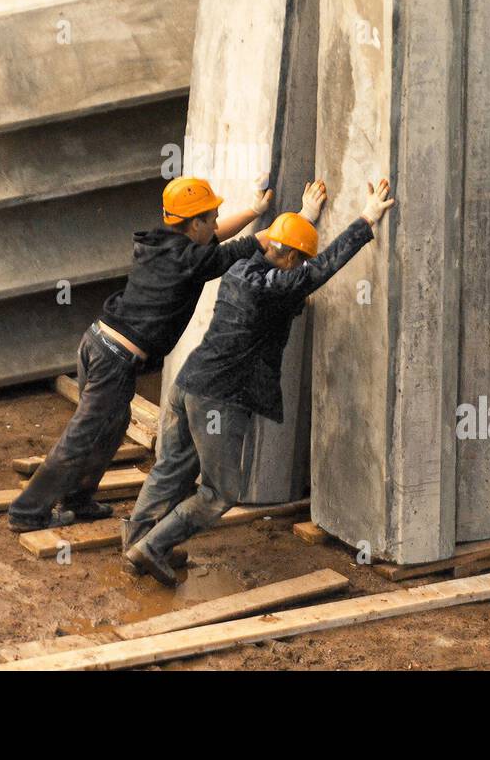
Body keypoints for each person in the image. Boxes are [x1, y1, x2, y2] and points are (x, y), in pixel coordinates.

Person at [123, 179, 396, 585]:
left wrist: (303, 217)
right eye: (300, 260)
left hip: (189, 384)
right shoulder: (281, 284)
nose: (302, 268)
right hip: (219, 397)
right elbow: (319, 270)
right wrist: (366, 218)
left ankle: (136, 543)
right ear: (291, 260)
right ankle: (152, 548)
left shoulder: (242, 267)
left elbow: (285, 255)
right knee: (219, 493)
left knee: (169, 470)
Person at [7, 175, 273, 532]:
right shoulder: (190, 259)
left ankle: (78, 499)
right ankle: (26, 512)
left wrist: (254, 210)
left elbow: (215, 238)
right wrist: (294, 221)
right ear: (194, 224)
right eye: (210, 217)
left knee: (111, 429)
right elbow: (235, 249)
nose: (213, 223)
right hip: (115, 359)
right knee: (83, 436)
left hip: (98, 342)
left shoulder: (162, 242)